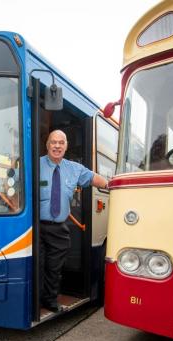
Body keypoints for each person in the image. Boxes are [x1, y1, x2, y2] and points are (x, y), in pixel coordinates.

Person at [39, 129, 108, 312]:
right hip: (35, 227)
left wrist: (114, 185)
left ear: (66, 146)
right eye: (53, 142)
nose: (57, 146)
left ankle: (50, 301)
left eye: (61, 143)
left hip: (59, 228)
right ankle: (34, 301)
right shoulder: (35, 165)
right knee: (37, 265)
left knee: (54, 268)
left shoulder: (74, 169)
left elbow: (95, 179)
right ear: (47, 145)